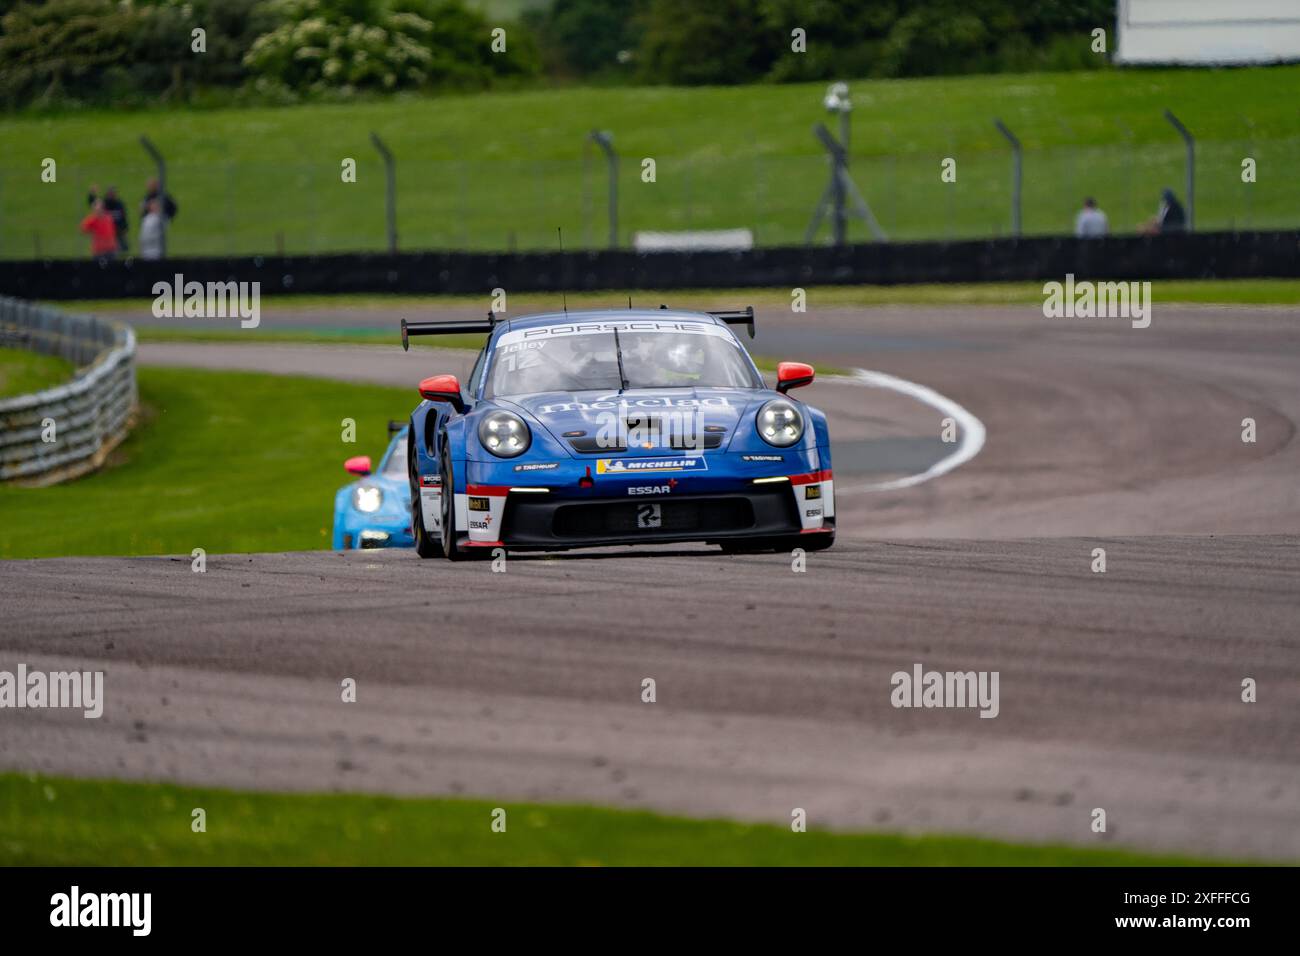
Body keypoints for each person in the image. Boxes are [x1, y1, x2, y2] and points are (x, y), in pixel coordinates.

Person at [87, 184, 129, 252]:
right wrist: (92, 194)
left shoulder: (120, 204)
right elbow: (93, 203)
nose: (111, 195)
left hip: (118, 232)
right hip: (107, 235)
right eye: (110, 193)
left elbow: (124, 218)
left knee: (121, 251)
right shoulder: (104, 203)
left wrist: (125, 230)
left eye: (112, 193)